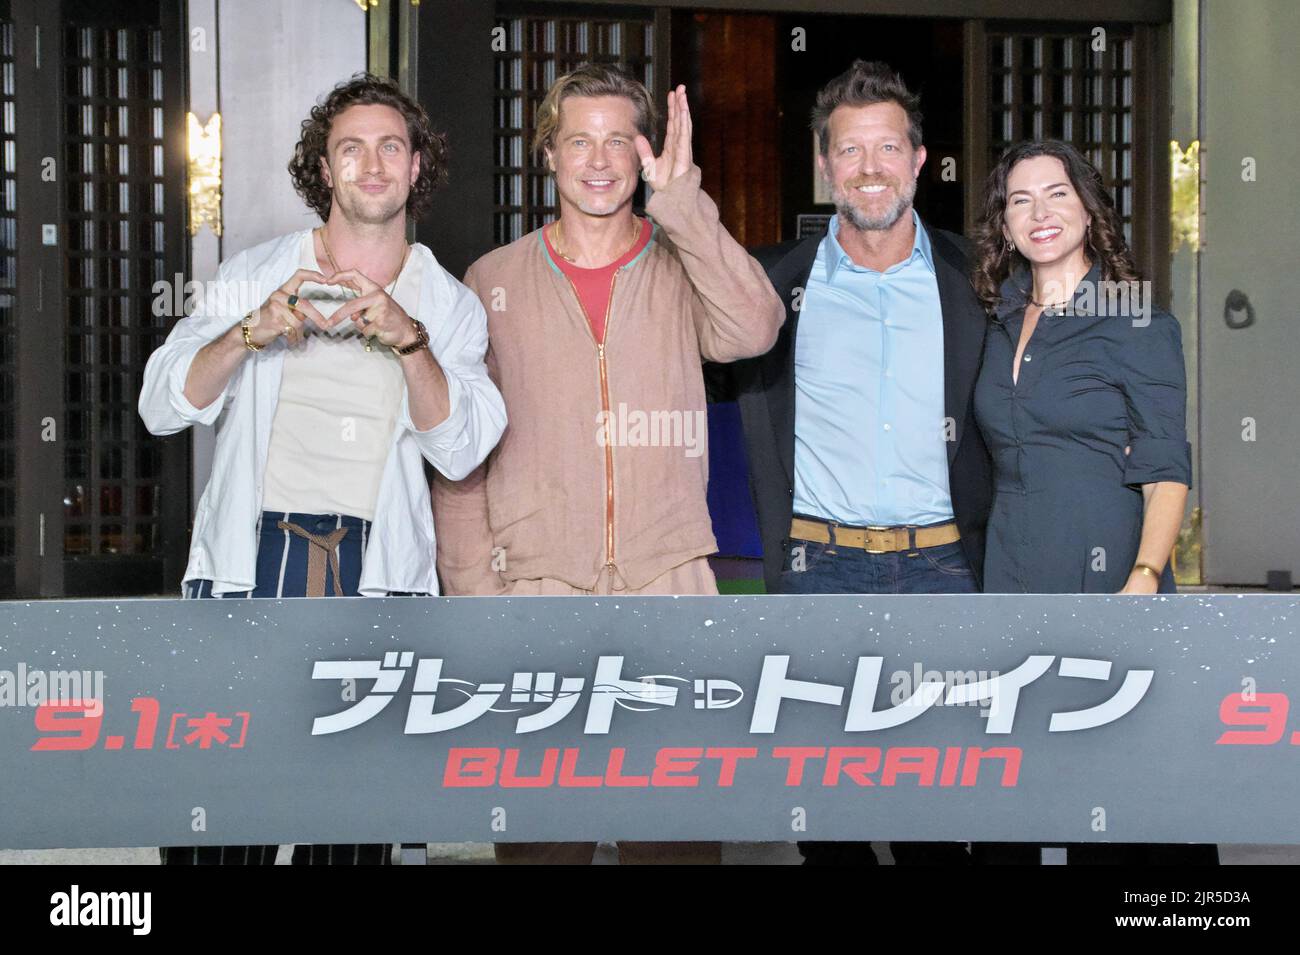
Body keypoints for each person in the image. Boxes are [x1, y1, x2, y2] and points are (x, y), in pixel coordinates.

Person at [138, 73, 506, 864]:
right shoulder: (255, 272)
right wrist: (249, 330)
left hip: (375, 577)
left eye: (389, 148)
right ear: (325, 168)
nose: (371, 165)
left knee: (349, 837)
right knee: (217, 827)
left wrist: (411, 342)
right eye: (351, 148)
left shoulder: (446, 304)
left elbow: (465, 447)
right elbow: (161, 405)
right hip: (247, 569)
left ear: (415, 167)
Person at [432, 63, 784, 864]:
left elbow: (755, 327)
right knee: (540, 843)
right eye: (577, 141)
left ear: (645, 157)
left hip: (670, 583)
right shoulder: (491, 282)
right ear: (547, 155)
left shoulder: (679, 262)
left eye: (619, 141)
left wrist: (687, 209)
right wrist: (476, 595)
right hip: (534, 589)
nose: (598, 160)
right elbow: (459, 451)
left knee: (674, 841)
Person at [713, 60, 1033, 865]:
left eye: (887, 148)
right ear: (824, 166)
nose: (869, 169)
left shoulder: (984, 282)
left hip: (946, 572)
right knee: (828, 820)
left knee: (936, 814)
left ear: (919, 160)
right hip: (818, 569)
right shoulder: (771, 286)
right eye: (849, 151)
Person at [971, 138, 1216, 864]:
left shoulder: (1134, 319)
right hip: (1010, 568)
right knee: (1011, 790)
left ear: (1088, 207)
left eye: (1056, 194)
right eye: (1020, 199)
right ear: (1004, 221)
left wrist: (1143, 575)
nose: (1039, 212)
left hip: (1107, 568)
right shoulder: (997, 315)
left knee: (1123, 791)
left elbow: (1168, 468)